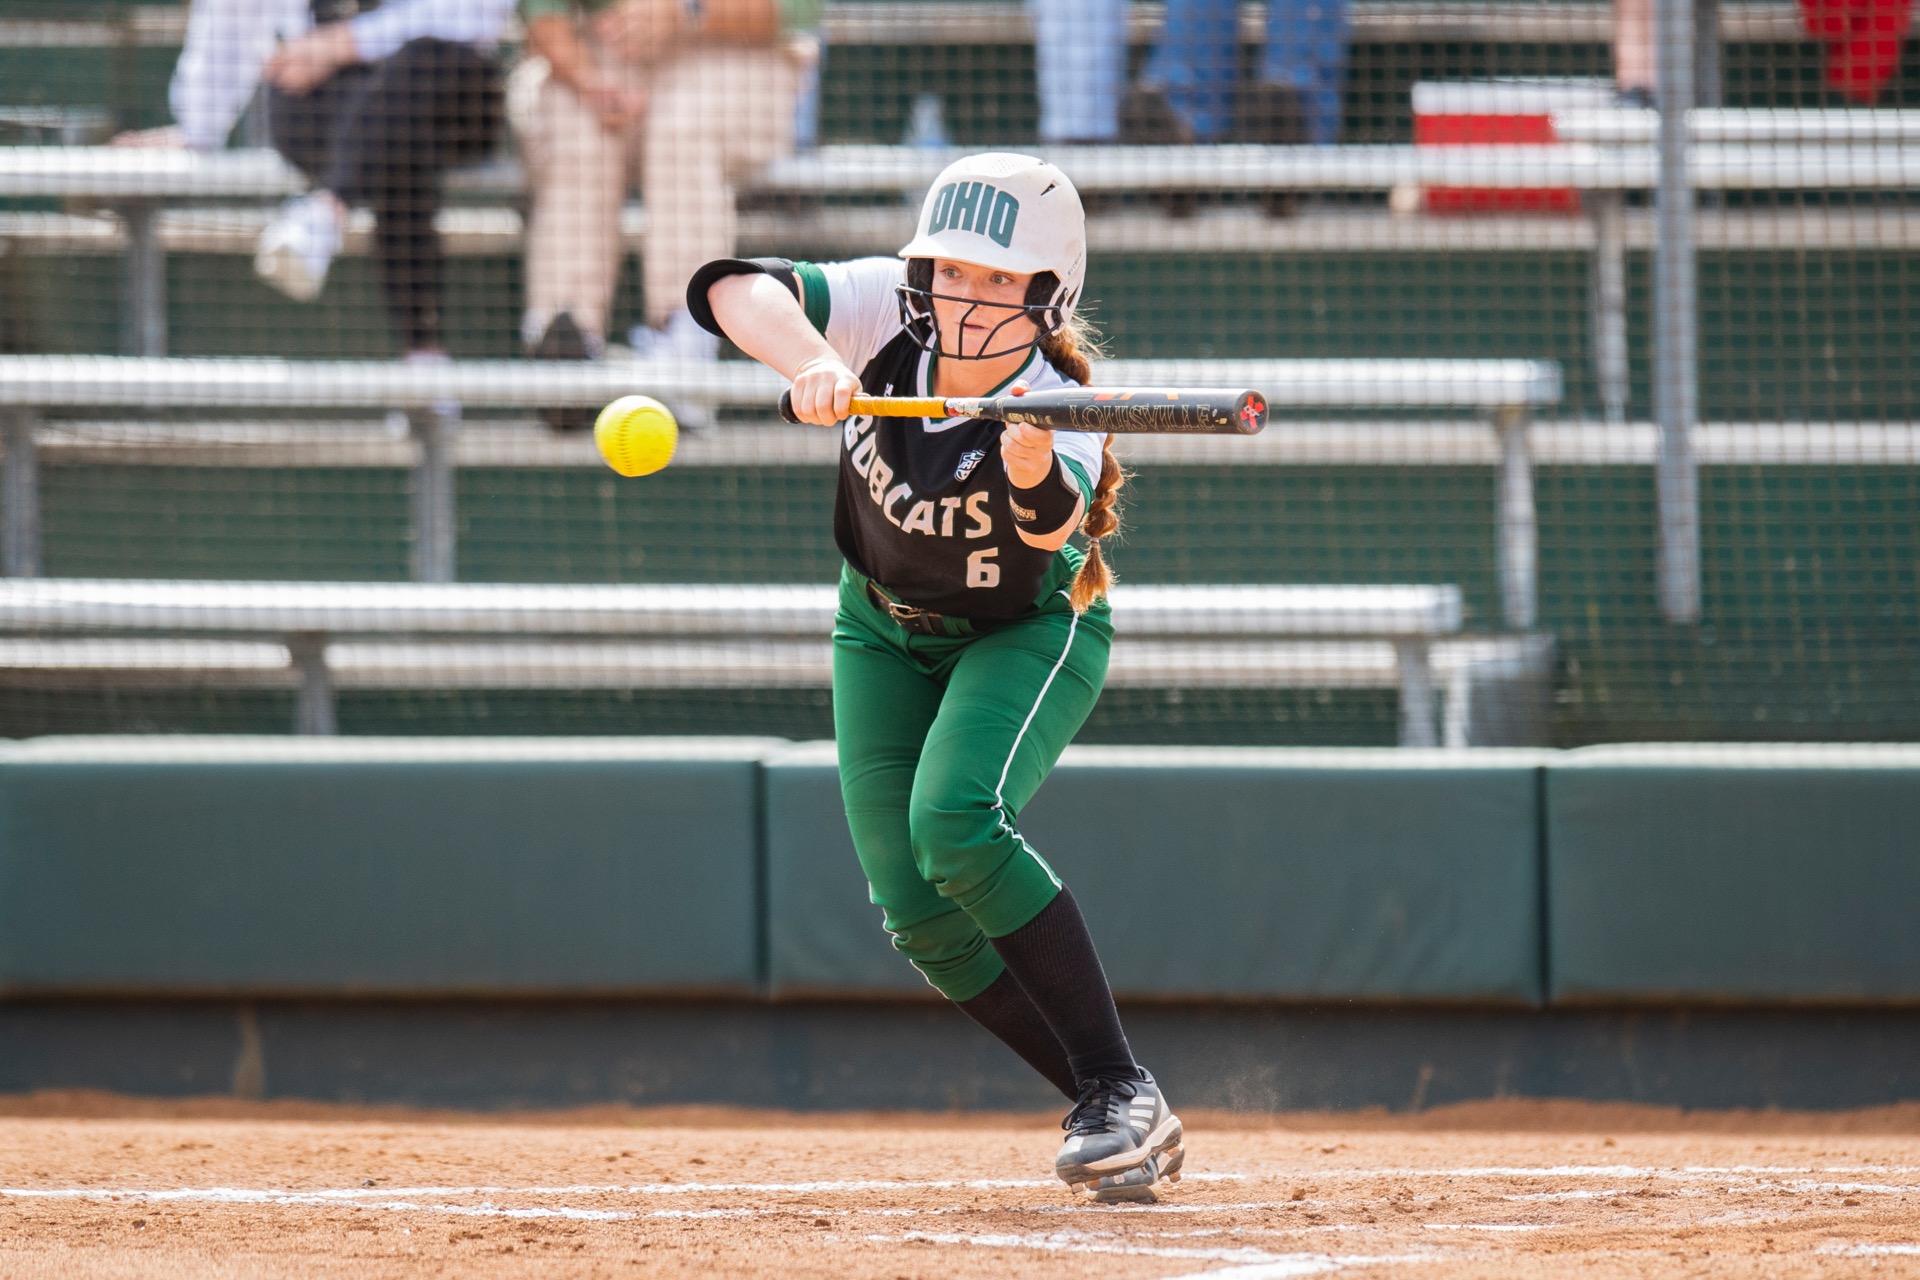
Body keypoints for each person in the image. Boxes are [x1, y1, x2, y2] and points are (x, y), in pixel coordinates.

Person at [691, 153, 1184, 1203]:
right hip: (875, 623)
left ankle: (1114, 1083)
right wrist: (811, 361)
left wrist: (1024, 461)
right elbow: (732, 286)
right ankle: (1122, 1101)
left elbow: (1051, 527)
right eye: (951, 272)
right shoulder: (887, 318)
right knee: (915, 909)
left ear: (1047, 297)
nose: (966, 298)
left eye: (997, 281)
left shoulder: (1061, 404)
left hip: (1022, 631)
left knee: (953, 823)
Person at [120, 0, 515, 363]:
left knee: (414, 79)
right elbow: (233, 12)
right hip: (326, 100)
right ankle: (425, 361)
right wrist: (197, 128)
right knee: (391, 133)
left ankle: (326, 209)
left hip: (450, 91)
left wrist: (343, 43)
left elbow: (470, 16)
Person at [510, 0, 817, 385]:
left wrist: (686, 11)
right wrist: (587, 78)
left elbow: (801, 10)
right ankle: (562, 345)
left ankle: (686, 348)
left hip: (735, 50)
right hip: (602, 47)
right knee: (578, 135)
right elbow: (543, 12)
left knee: (682, 129)